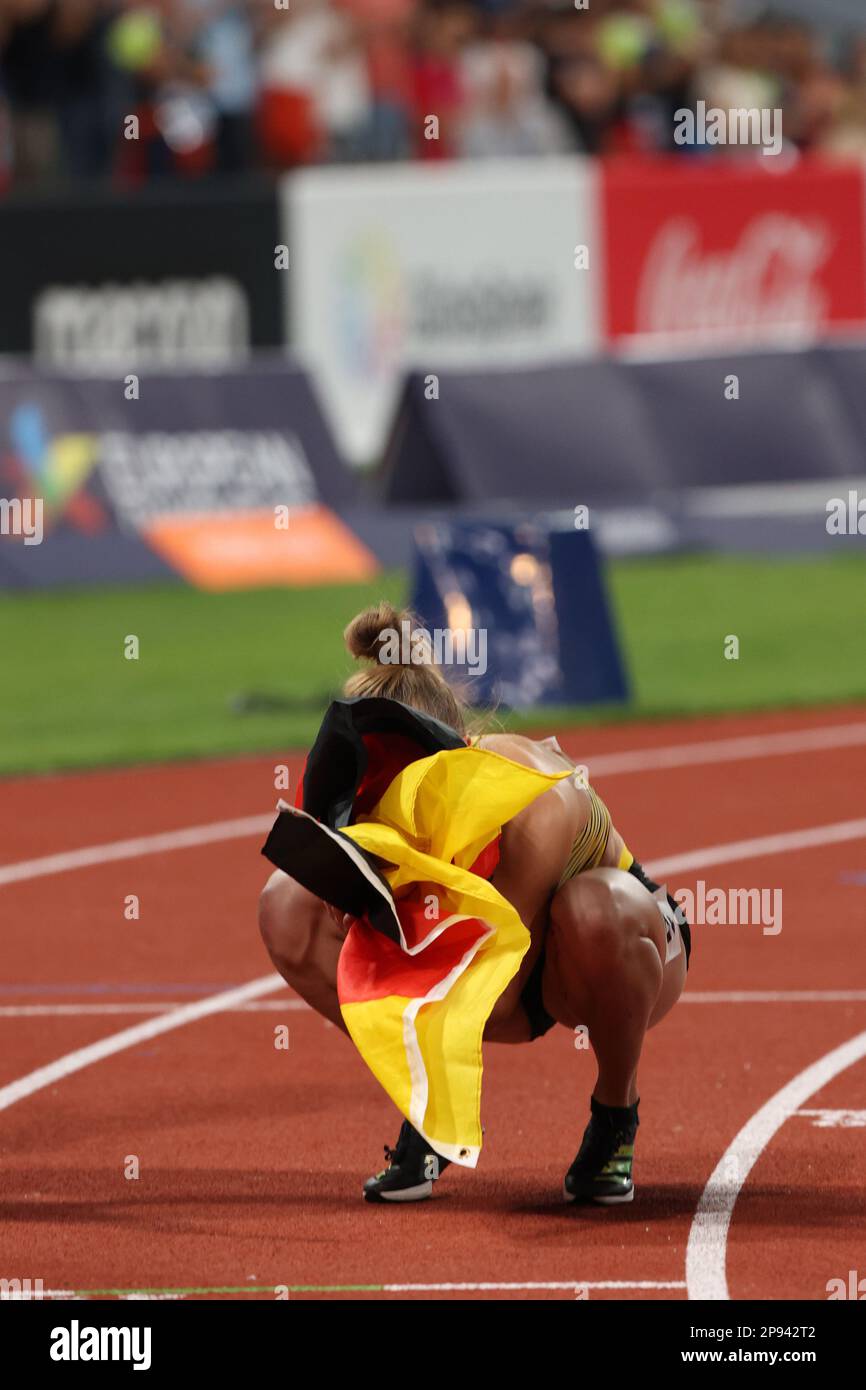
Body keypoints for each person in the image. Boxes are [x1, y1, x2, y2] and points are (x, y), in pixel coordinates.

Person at [259, 601, 690, 1205]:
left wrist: (385, 947)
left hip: (594, 951)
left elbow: (496, 992)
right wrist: (353, 895)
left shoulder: (529, 802)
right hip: (471, 945)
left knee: (595, 909)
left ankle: (616, 1115)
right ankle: (427, 1111)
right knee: (286, 905)